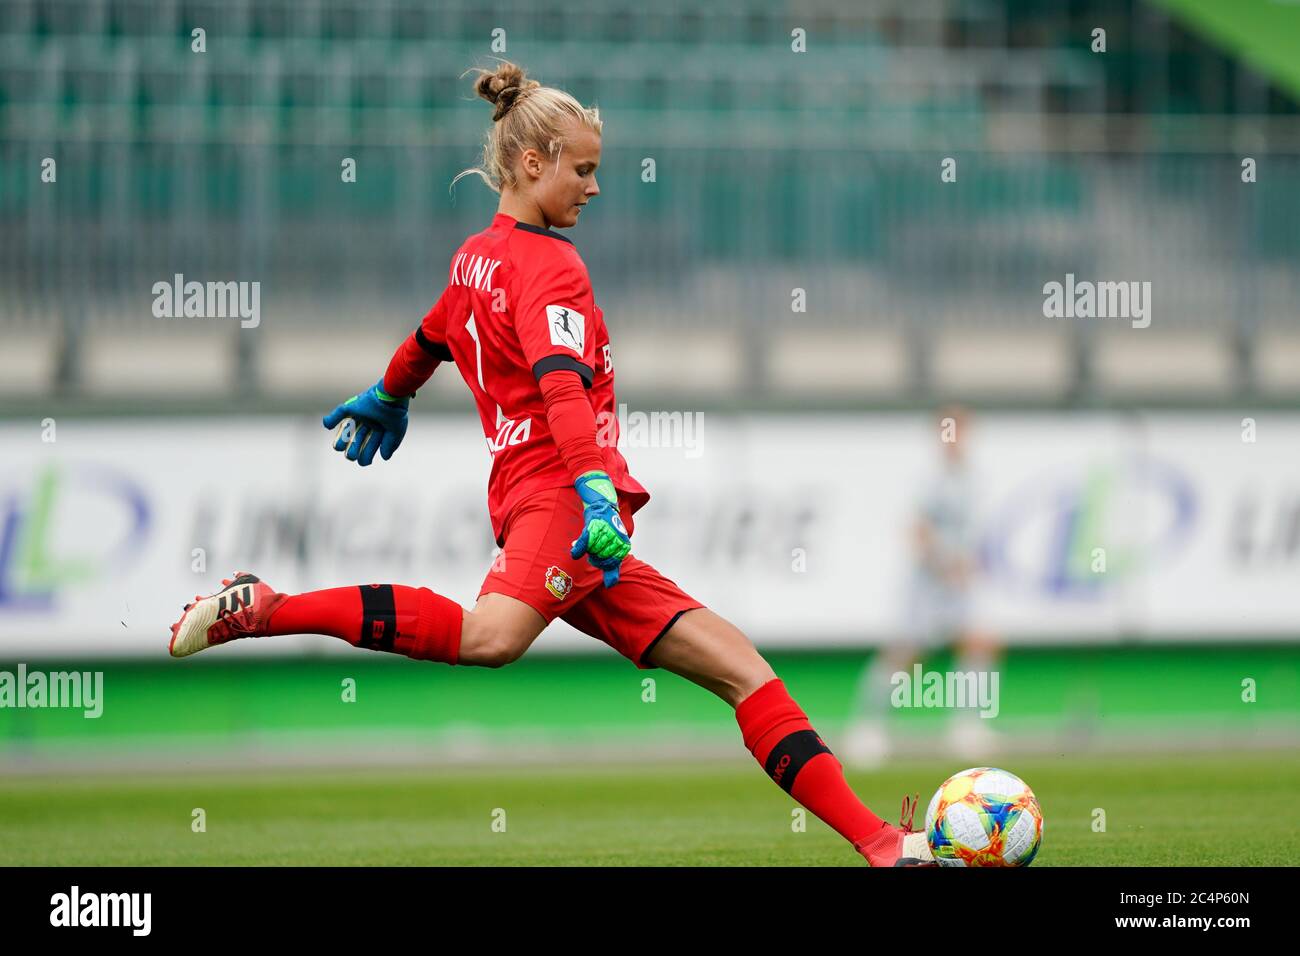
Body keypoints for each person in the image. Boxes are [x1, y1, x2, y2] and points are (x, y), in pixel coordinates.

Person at [166, 60, 932, 866]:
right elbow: (561, 389)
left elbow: (431, 335)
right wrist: (595, 489)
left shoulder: (476, 257)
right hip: (565, 498)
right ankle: (264, 607)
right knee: (491, 637)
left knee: (742, 670)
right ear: (533, 163)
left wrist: (391, 394)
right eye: (584, 168)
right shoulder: (553, 266)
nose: (594, 188)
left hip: (539, 498)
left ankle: (883, 845)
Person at [844, 405, 1002, 768]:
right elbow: (917, 530)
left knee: (980, 642)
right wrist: (944, 562)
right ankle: (868, 728)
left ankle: (967, 726)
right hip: (927, 582)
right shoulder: (931, 480)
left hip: (957, 582)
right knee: (905, 653)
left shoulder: (971, 477)